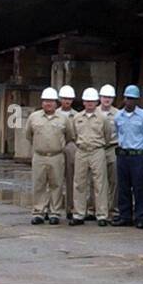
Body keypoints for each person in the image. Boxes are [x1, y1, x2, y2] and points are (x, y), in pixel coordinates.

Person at [26, 87, 73, 225]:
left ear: (56, 103)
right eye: (46, 101)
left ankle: (54, 212)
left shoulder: (63, 119)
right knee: (39, 184)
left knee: (56, 184)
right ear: (42, 102)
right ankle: (38, 212)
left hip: (57, 156)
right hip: (39, 156)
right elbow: (28, 135)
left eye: (51, 101)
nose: (48, 104)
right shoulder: (33, 117)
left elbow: (69, 136)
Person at [70, 87, 116, 227]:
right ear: (83, 102)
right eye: (87, 101)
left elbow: (107, 135)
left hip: (97, 151)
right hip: (82, 151)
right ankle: (78, 214)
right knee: (79, 183)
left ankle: (102, 214)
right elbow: (73, 135)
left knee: (100, 183)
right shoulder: (77, 117)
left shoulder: (103, 118)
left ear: (96, 102)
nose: (90, 103)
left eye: (92, 101)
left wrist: (99, 146)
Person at [114, 85, 143, 228]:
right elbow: (117, 132)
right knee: (123, 187)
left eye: (132, 99)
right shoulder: (118, 116)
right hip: (123, 155)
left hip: (138, 156)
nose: (129, 101)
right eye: (127, 98)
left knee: (140, 188)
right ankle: (125, 216)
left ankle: (140, 217)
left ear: (137, 100)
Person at [97, 84, 119, 223]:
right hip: (97, 148)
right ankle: (97, 209)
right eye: (105, 97)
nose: (107, 100)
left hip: (112, 148)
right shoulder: (94, 112)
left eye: (110, 97)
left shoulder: (118, 114)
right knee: (97, 181)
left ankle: (113, 209)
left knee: (114, 181)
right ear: (100, 97)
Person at [57, 85, 79, 221]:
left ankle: (70, 208)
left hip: (71, 146)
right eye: (65, 98)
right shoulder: (55, 113)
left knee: (72, 179)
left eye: (70, 99)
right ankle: (52, 208)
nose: (67, 101)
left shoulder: (77, 116)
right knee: (55, 180)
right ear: (60, 99)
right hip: (57, 147)